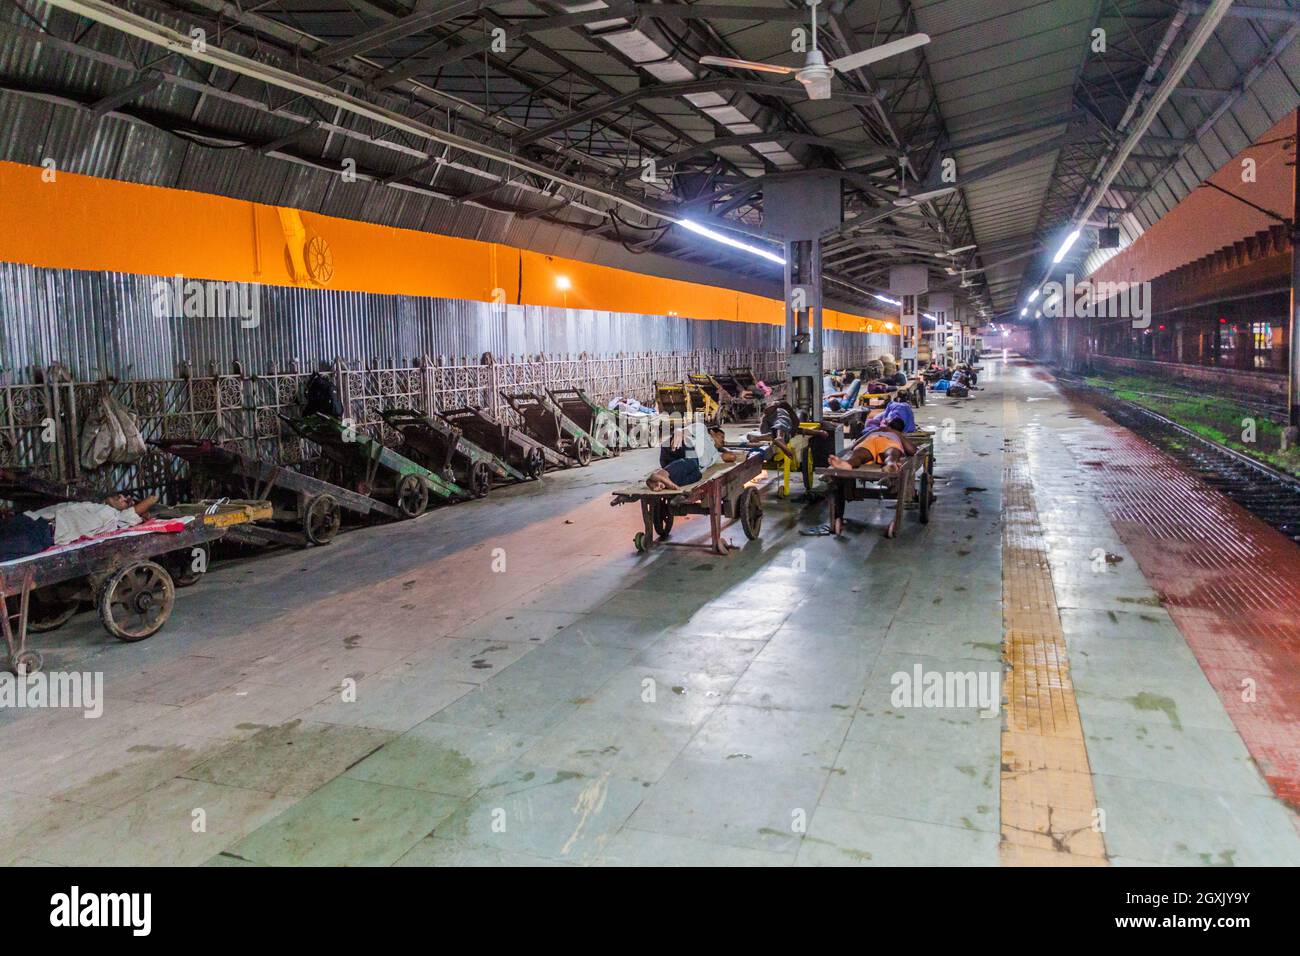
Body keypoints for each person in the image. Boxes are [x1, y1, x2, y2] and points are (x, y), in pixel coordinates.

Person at [25, 492, 158, 546]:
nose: (121, 497)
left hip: (42, 532)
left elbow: (152, 498)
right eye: (121, 495)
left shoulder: (115, 517)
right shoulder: (94, 505)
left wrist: (146, 506)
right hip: (32, 518)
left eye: (125, 501)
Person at [646, 423, 736, 491]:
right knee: (693, 461)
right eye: (721, 437)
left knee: (697, 475)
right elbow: (683, 431)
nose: (723, 440)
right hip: (676, 446)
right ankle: (661, 474)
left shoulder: (715, 454)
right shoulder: (703, 430)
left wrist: (723, 448)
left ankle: (658, 482)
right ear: (712, 432)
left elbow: (732, 457)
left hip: (677, 464)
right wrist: (679, 432)